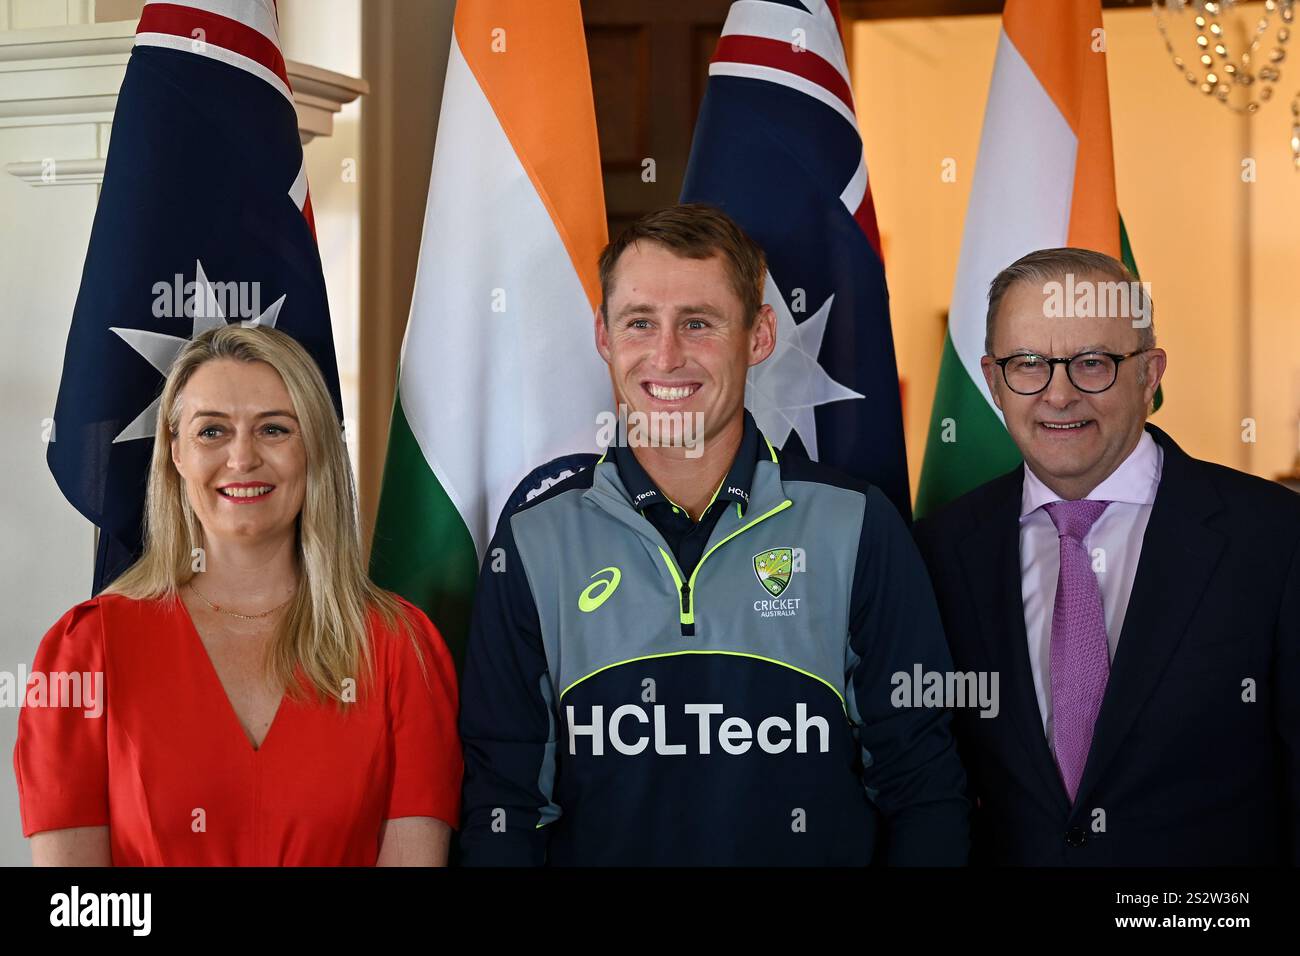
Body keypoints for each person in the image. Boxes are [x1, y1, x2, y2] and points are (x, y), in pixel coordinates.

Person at [458, 203, 969, 865]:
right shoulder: (534, 542)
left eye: (698, 323)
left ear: (758, 336)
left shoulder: (858, 524)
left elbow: (922, 787)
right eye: (640, 322)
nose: (666, 356)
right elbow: (504, 802)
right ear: (604, 337)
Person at [15, 325, 463, 865]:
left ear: (315, 448)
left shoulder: (399, 649)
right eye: (212, 432)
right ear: (174, 454)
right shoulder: (84, 651)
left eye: (274, 429)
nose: (242, 457)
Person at [913, 247, 1300, 865]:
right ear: (991, 380)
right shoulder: (937, 550)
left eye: (1093, 364)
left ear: (1151, 373)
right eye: (1028, 364)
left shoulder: (1276, 540)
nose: (1058, 395)